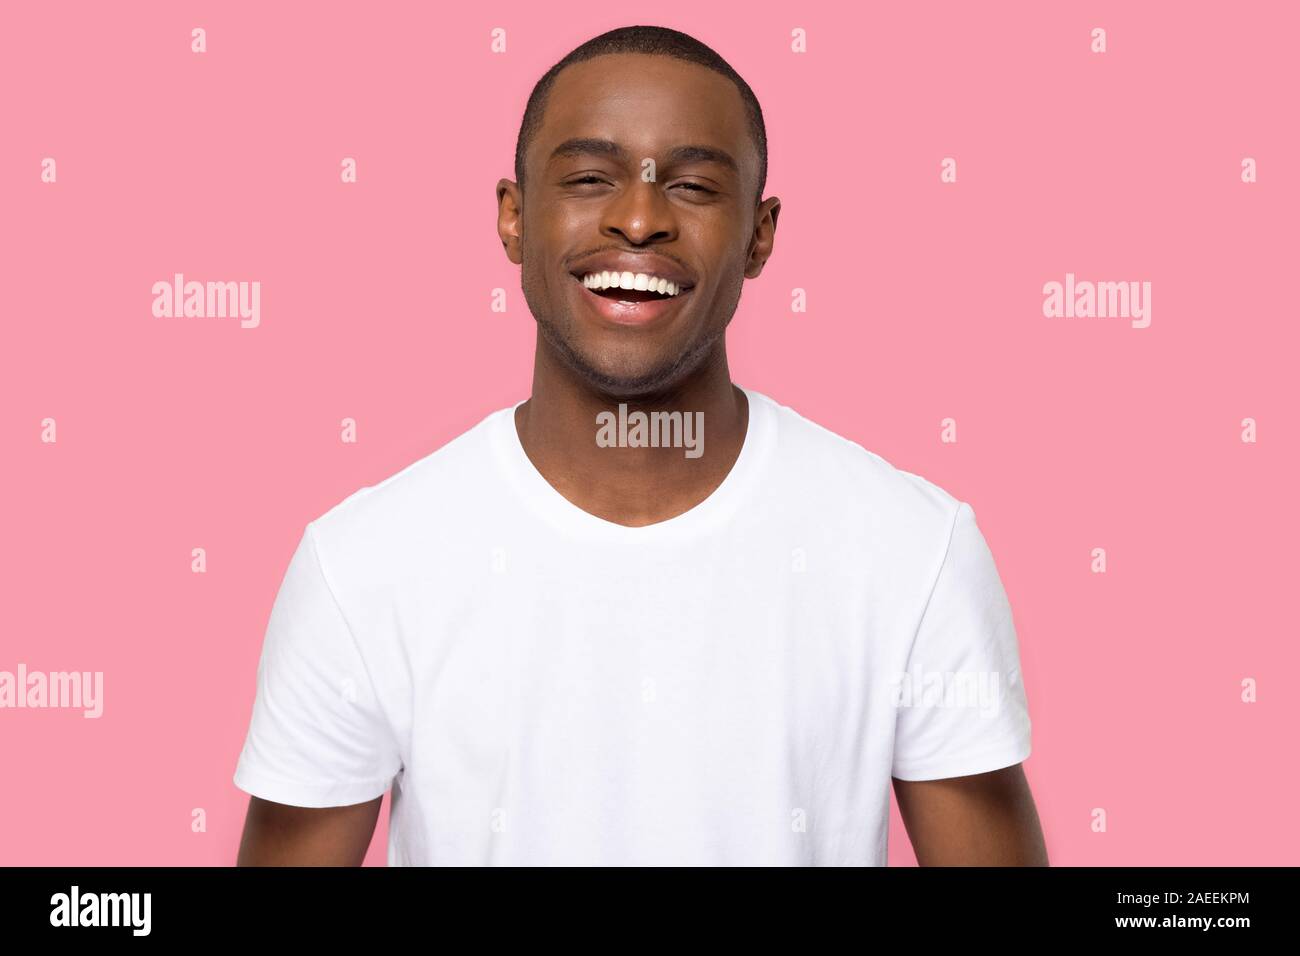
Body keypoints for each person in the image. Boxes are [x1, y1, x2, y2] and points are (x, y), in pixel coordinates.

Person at [234, 24, 1048, 866]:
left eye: (693, 187)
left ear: (760, 235)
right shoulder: (361, 565)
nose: (638, 218)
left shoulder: (914, 549)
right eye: (590, 178)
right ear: (514, 218)